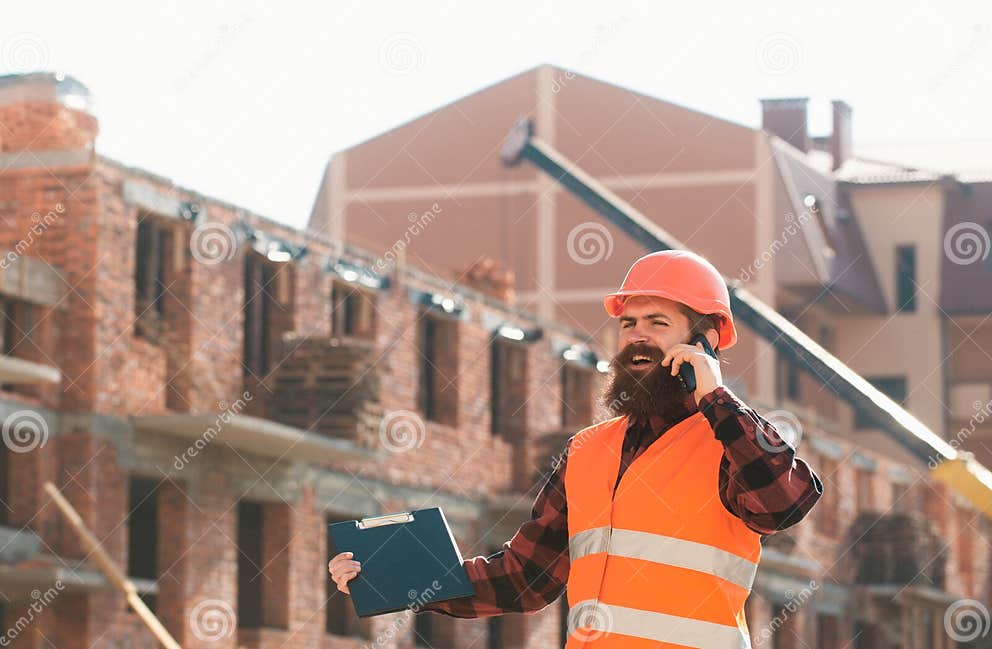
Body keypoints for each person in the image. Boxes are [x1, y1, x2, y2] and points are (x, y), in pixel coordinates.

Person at [329, 249, 823, 648]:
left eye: (658, 322)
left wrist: (715, 395)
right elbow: (525, 577)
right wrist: (394, 576)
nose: (638, 338)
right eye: (629, 324)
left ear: (706, 342)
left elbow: (786, 502)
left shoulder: (729, 443)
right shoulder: (588, 450)